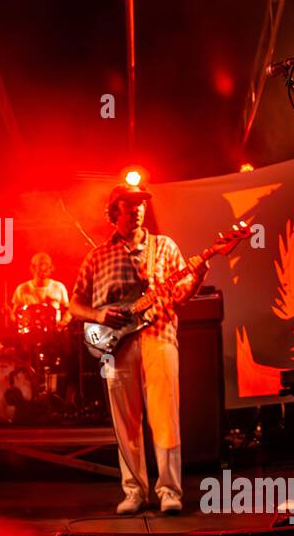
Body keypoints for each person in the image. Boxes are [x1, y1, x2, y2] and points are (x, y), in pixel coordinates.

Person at [68, 184, 206, 515]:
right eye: (129, 204)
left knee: (165, 416)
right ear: (113, 212)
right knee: (125, 422)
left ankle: (169, 490)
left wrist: (199, 274)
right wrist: (99, 315)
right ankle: (134, 491)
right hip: (117, 346)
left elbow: (180, 295)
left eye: (141, 204)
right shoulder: (97, 256)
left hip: (159, 335)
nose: (137, 209)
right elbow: (74, 304)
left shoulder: (164, 246)